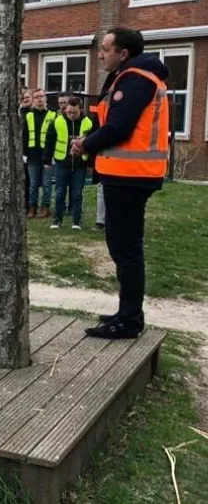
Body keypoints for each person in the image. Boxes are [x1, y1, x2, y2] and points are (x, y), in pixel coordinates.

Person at [72, 28, 169, 340]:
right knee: (121, 247)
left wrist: (85, 144)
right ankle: (127, 312)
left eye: (105, 49)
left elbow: (119, 128)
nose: (100, 55)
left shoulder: (135, 79)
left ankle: (129, 320)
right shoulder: (129, 76)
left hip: (131, 175)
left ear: (122, 53)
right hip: (127, 174)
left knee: (126, 251)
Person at [45, 97, 93, 230]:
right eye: (69, 112)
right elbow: (50, 141)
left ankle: (77, 221)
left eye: (75, 113)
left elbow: (93, 145)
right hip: (62, 162)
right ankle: (57, 220)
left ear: (80, 110)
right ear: (65, 110)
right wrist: (47, 160)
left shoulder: (88, 123)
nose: (71, 115)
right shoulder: (57, 121)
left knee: (77, 194)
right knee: (60, 193)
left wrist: (90, 164)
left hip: (80, 164)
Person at [23, 89, 56, 218]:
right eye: (36, 97)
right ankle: (32, 208)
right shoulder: (28, 115)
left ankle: (45, 207)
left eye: (41, 96)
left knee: (47, 183)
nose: (39, 99)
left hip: (48, 154)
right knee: (33, 183)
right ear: (33, 99)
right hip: (32, 154)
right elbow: (24, 135)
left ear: (45, 98)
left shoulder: (53, 115)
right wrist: (24, 153)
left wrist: (53, 154)